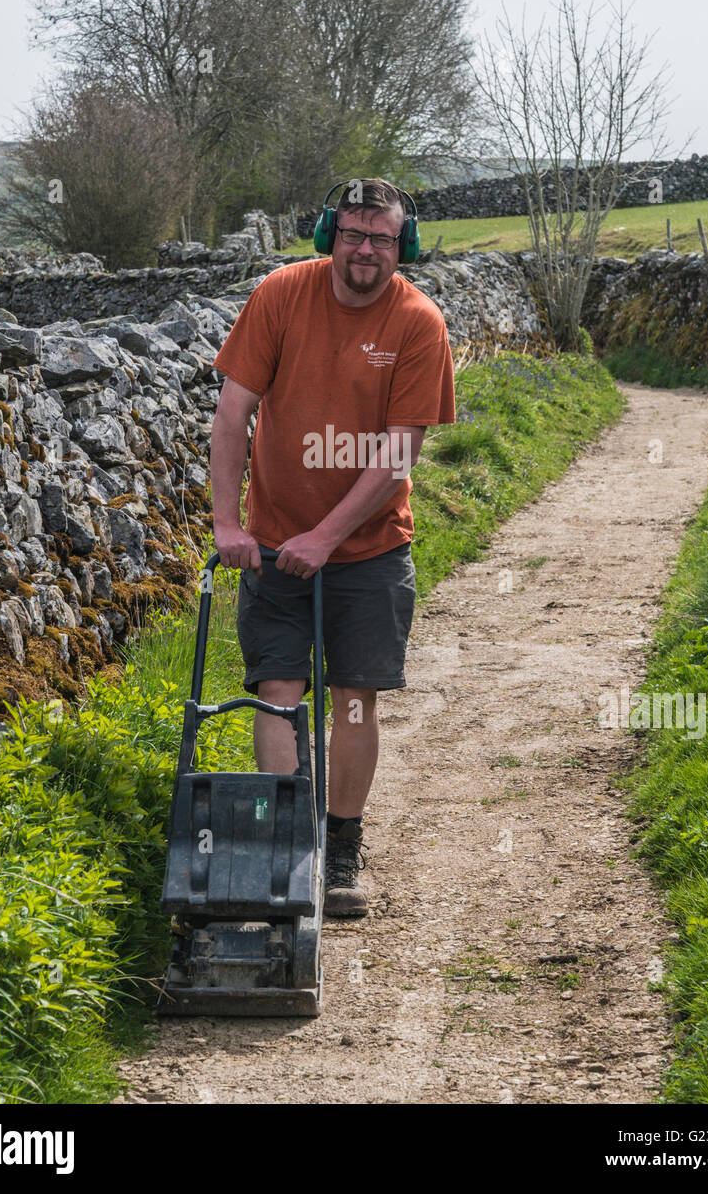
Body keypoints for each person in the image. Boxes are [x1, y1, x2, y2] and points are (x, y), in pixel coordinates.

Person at [210, 178, 456, 916]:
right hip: (274, 541)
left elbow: (398, 454)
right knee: (278, 691)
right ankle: (287, 846)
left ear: (402, 245)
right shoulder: (281, 295)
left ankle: (341, 846)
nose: (365, 249)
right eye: (352, 233)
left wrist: (328, 536)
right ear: (328, 235)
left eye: (381, 237)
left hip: (368, 550)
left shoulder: (418, 323)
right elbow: (232, 417)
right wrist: (228, 522)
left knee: (352, 699)